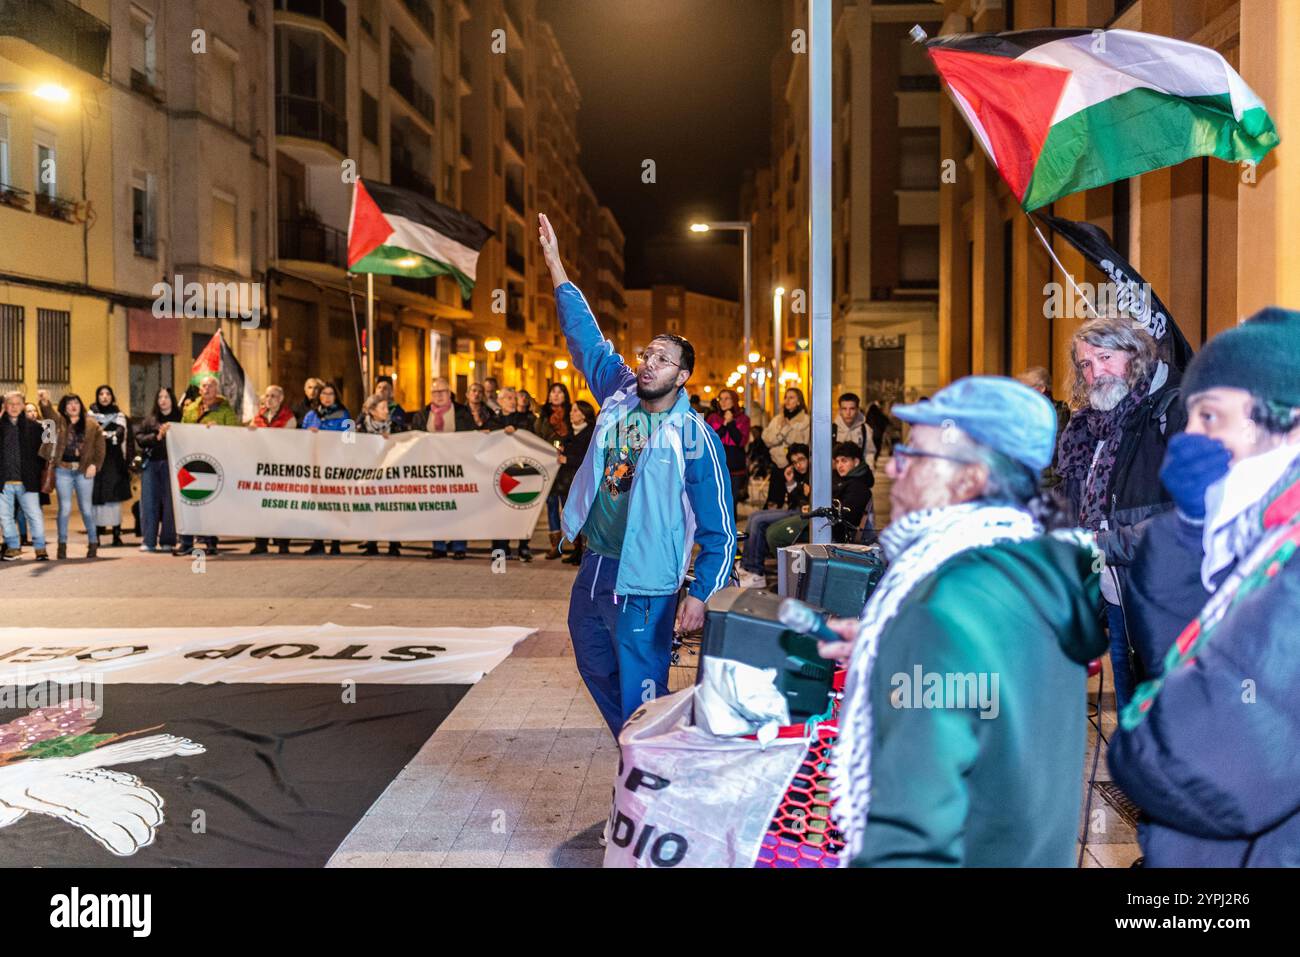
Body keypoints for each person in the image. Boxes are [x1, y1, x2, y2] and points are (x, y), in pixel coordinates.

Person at [814, 376, 1105, 867]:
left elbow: (915, 831)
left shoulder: (941, 609)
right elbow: (994, 691)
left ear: (969, 479)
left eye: (914, 457)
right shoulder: (1033, 570)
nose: (892, 466)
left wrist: (917, 638)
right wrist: (890, 645)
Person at [1108, 307, 1300, 867]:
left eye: (1211, 417)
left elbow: (1205, 770)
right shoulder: (1248, 532)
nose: (1190, 438)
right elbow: (1181, 654)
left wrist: (1135, 744)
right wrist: (1189, 531)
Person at [541, 211, 735, 737]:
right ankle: (641, 751)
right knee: (593, 664)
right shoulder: (618, 395)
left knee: (642, 686)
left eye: (664, 359)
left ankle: (655, 775)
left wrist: (702, 593)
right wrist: (557, 268)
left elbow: (721, 528)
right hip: (597, 566)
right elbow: (588, 341)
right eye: (647, 353)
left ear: (684, 375)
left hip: (647, 581)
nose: (649, 362)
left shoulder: (694, 435)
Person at [1055, 318, 1185, 710]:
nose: (1095, 372)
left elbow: (1189, 515)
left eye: (1105, 357)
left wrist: (1106, 543)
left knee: (1168, 709)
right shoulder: (1091, 429)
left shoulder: (1169, 411)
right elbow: (1072, 507)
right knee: (1132, 708)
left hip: (1165, 592)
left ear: (1136, 354)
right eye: (1085, 365)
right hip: (1114, 591)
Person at [762, 441, 876, 554]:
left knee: (774, 534)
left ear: (856, 462)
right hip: (822, 522)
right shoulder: (845, 479)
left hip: (829, 530)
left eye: (844, 461)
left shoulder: (858, 486)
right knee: (772, 530)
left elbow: (845, 514)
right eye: (837, 461)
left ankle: (792, 569)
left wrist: (819, 503)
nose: (839, 465)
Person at [413, 377, 475, 559]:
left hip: (458, 469)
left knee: (458, 507)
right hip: (432, 469)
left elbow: (471, 436)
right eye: (435, 392)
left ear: (450, 393)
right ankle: (438, 546)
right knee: (437, 507)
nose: (439, 395)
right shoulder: (423, 415)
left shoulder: (462, 413)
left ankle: (459, 546)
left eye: (442, 391)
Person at [38, 390, 104, 560]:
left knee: (86, 510)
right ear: (65, 408)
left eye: (76, 402)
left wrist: (95, 465)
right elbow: (48, 414)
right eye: (69, 403)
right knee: (65, 509)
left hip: (83, 471)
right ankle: (62, 546)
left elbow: (100, 448)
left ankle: (93, 543)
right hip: (63, 470)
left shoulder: (92, 424)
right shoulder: (59, 421)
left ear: (80, 405)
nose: (73, 406)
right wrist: (45, 401)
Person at [735, 443, 810, 588]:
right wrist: (791, 483)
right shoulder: (800, 476)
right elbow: (796, 500)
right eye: (795, 462)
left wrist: (807, 495)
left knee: (758, 519)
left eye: (801, 460)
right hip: (797, 511)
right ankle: (747, 565)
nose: (798, 465)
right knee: (755, 516)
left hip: (801, 515)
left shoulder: (813, 474)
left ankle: (755, 571)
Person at [487, 386, 537, 562]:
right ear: (500, 402)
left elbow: (532, 438)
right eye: (507, 398)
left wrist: (516, 432)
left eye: (513, 398)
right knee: (500, 512)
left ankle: (523, 546)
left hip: (523, 472)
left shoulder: (526, 420)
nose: (512, 401)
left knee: (524, 509)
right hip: (500, 473)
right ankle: (500, 548)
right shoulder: (493, 420)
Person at [0, 390, 51, 561]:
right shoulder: (1, 426)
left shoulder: (35, 427)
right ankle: (13, 547)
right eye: (10, 404)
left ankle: (40, 548)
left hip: (28, 481)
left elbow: (51, 437)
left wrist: (45, 406)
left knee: (34, 515)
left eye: (17, 403)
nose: (14, 407)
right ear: (5, 406)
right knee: (5, 517)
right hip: (3, 482)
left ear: (23, 405)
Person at [302, 382, 351, 556]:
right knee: (317, 504)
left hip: (334, 466)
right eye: (324, 394)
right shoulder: (310, 415)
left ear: (336, 396)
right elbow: (300, 438)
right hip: (315, 465)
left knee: (334, 504)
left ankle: (335, 542)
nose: (327, 397)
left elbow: (350, 439)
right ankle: (318, 542)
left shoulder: (344, 414)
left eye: (330, 394)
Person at [248, 385, 297, 555]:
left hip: (279, 468)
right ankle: (260, 543)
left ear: (281, 398)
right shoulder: (258, 417)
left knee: (280, 506)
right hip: (261, 467)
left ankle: (283, 544)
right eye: (267, 395)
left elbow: (285, 439)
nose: (269, 399)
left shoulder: (288, 417)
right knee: (260, 506)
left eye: (273, 396)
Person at [133, 387, 182, 554]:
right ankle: (148, 540)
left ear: (172, 400)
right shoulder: (150, 420)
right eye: (160, 396)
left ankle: (168, 540)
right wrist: (157, 436)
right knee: (148, 503)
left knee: (170, 503)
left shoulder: (180, 418)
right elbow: (139, 438)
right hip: (152, 464)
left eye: (166, 396)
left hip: (173, 465)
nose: (163, 400)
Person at [355, 394, 402, 557]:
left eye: (387, 408)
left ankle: (393, 544)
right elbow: (353, 446)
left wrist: (393, 441)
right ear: (373, 411)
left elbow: (405, 446)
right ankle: (371, 543)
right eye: (382, 408)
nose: (386, 411)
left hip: (390, 474)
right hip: (370, 473)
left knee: (391, 509)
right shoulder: (361, 428)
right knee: (371, 508)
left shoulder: (395, 426)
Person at [89, 385, 132, 547]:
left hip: (114, 462)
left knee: (115, 499)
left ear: (112, 397)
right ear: (97, 396)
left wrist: (108, 435)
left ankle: (116, 534)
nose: (104, 397)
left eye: (108, 394)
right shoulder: (90, 415)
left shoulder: (120, 416)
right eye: (101, 394)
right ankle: (97, 535)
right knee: (97, 499)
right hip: (97, 462)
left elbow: (123, 436)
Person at [557, 399, 596, 566]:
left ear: (584, 414)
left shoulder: (591, 433)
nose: (572, 413)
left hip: (581, 482)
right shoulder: (569, 433)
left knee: (582, 516)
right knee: (571, 515)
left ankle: (584, 552)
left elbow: (590, 458)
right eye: (572, 410)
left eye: (575, 410)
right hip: (567, 481)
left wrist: (567, 459)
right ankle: (576, 549)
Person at [538, 383, 573, 559]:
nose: (556, 395)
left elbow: (575, 437)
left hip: (566, 469)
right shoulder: (543, 416)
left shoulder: (570, 414)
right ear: (549, 396)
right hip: (549, 468)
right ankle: (555, 546)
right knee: (551, 506)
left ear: (565, 396)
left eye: (560, 392)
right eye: (553, 392)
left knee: (568, 506)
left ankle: (575, 544)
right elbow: (537, 437)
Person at [705, 388, 751, 510]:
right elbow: (710, 440)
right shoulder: (713, 418)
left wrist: (731, 423)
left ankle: (731, 529)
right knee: (716, 503)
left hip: (735, 469)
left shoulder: (743, 419)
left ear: (734, 401)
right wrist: (725, 424)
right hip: (717, 467)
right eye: (721, 399)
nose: (723, 402)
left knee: (731, 503)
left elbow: (740, 441)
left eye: (727, 399)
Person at [764, 387, 811, 469]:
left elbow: (803, 444)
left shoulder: (805, 421)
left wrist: (786, 430)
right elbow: (767, 440)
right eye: (786, 397)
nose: (787, 400)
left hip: (796, 466)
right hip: (775, 464)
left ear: (799, 401)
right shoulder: (777, 419)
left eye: (791, 398)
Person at [832, 393, 875, 464]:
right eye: (844, 409)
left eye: (852, 409)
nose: (848, 413)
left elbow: (869, 454)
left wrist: (869, 472)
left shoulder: (865, 429)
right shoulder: (832, 430)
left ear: (857, 410)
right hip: (836, 473)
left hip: (859, 473)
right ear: (839, 410)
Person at [864, 401, 891, 467]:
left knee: (870, 449)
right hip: (878, 435)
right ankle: (874, 460)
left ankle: (872, 461)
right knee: (877, 447)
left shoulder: (868, 415)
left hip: (870, 434)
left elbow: (865, 424)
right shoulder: (879, 414)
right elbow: (886, 421)